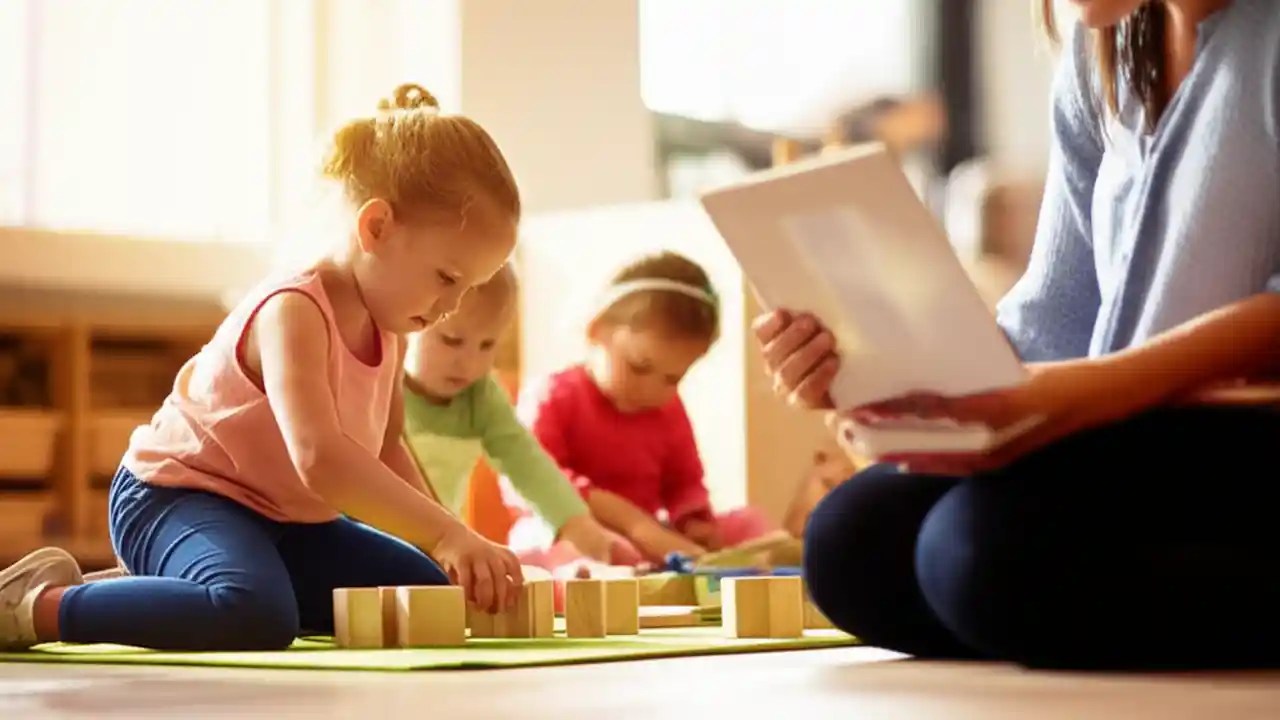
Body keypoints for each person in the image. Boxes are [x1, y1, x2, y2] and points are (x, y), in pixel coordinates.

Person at [756, 0, 1280, 670]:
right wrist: (879, 366)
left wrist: (1088, 394)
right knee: (851, 546)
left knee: (981, 555)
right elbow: (1054, 316)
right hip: (1138, 435)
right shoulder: (1105, 59)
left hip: (1249, 429)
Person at [0, 83, 526, 652]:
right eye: (448, 278)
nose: (451, 305)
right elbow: (320, 459)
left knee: (427, 596)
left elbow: (386, 448)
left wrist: (449, 542)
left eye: (468, 287)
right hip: (178, 495)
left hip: (286, 522)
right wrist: (445, 532)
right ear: (376, 228)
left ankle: (179, 587)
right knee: (253, 615)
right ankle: (32, 609)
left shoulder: (393, 323)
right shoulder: (293, 310)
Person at [519, 252, 773, 563]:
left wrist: (693, 523)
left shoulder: (668, 410)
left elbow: (685, 481)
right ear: (596, 329)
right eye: (639, 367)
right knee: (544, 544)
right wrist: (631, 522)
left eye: (672, 378)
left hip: (650, 536)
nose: (651, 389)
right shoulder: (553, 395)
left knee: (749, 524)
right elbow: (533, 480)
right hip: (570, 526)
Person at [401, 264, 633, 567]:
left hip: (442, 545)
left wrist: (577, 524)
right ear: (408, 322)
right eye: (451, 341)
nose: (469, 363)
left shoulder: (480, 394)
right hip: (375, 537)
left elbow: (525, 460)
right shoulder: (382, 382)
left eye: (487, 344)